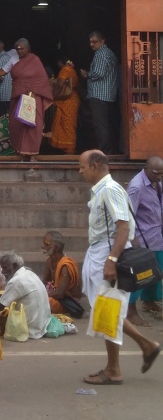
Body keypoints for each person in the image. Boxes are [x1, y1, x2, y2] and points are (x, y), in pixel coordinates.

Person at [79, 149, 160, 385]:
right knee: (107, 310)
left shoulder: (110, 189)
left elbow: (123, 226)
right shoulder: (103, 190)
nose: (80, 171)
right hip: (100, 253)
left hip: (107, 255)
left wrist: (112, 260)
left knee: (109, 310)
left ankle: (116, 368)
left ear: (95, 166)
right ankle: (144, 347)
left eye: (82, 166)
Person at [0, 38, 52, 161]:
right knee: (17, 124)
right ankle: (21, 152)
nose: (20, 51)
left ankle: (32, 154)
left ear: (28, 48)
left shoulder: (35, 60)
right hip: (18, 96)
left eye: (22, 49)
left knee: (34, 125)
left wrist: (33, 92)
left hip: (33, 98)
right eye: (17, 49)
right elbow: (1, 73)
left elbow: (42, 79)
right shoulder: (13, 59)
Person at [126, 156, 163, 326]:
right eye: (156, 173)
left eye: (161, 173)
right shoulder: (137, 186)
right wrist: (133, 239)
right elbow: (128, 214)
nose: (159, 176)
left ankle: (149, 301)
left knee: (157, 271)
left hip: (156, 236)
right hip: (143, 239)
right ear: (146, 168)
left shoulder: (157, 182)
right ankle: (131, 311)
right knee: (141, 275)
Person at [80, 32, 118, 154]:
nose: (91, 44)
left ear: (102, 41)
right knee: (106, 123)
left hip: (99, 95)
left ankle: (104, 151)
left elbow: (98, 73)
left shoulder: (101, 54)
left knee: (100, 124)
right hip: (108, 94)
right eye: (90, 41)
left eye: (94, 42)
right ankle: (109, 149)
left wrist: (87, 74)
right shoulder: (110, 53)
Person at [0, 253, 51, 339]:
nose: (2, 272)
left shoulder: (16, 281)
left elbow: (0, 306)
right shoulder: (30, 273)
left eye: (5, 268)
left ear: (14, 266)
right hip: (43, 326)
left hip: (29, 329)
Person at [41, 230, 84, 316]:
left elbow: (60, 294)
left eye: (46, 244)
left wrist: (40, 295)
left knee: (42, 301)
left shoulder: (65, 266)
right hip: (55, 297)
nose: (43, 246)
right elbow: (44, 283)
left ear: (56, 248)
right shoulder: (49, 261)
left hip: (68, 302)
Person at [50, 56, 80, 154]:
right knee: (68, 125)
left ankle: (70, 150)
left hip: (67, 100)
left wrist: (53, 95)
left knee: (67, 125)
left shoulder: (65, 69)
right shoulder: (72, 70)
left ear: (60, 62)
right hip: (72, 99)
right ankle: (68, 149)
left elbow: (60, 84)